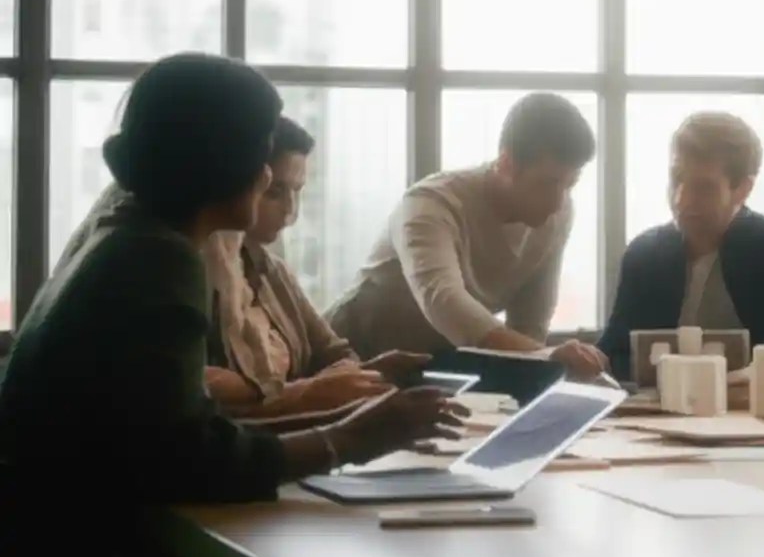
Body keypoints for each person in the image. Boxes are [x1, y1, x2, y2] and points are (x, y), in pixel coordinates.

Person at [0, 54, 465, 508]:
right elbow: (191, 462)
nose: (266, 175)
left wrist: (351, 420)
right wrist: (351, 439)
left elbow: (183, 434)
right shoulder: (158, 259)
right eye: (261, 153)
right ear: (222, 160)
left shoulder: (123, 237)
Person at [326, 93, 607, 376]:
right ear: (506, 164)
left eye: (570, 185)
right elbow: (444, 301)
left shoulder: (557, 214)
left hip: (434, 365)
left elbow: (530, 325)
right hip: (347, 360)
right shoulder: (430, 204)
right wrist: (546, 357)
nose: (557, 203)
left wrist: (544, 367)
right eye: (547, 184)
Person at [202, 116, 431, 419]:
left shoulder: (272, 271)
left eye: (297, 191)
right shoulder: (196, 275)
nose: (290, 209)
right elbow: (197, 389)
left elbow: (334, 352)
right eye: (274, 192)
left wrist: (365, 372)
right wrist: (306, 393)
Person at [595, 112, 764, 380]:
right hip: (656, 400)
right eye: (677, 179)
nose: (681, 199)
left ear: (743, 189)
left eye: (703, 188)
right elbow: (614, 347)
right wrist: (586, 358)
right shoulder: (644, 254)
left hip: (747, 400)